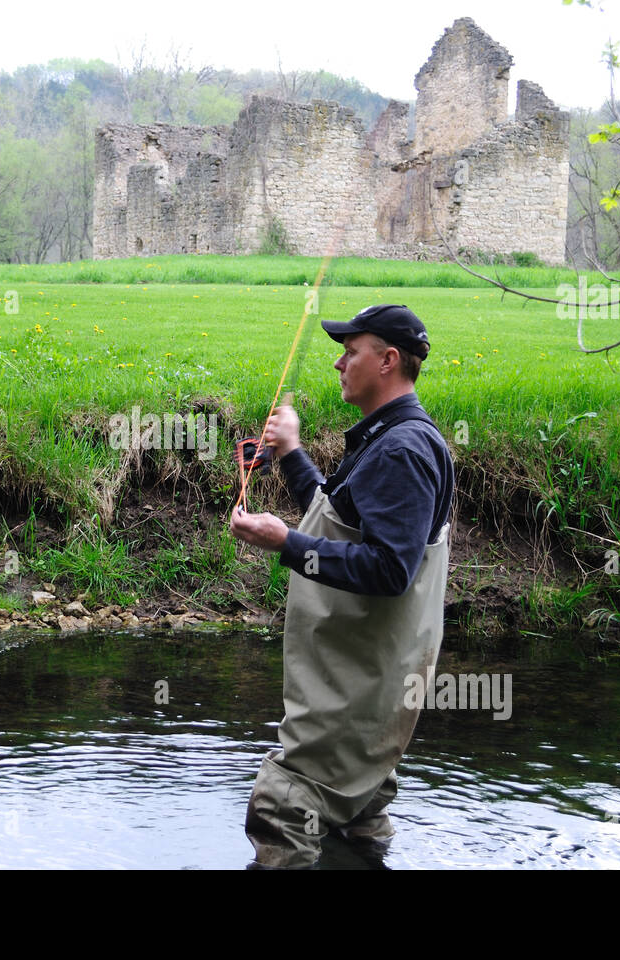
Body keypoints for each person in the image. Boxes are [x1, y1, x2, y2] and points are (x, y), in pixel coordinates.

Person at [228, 303, 455, 869]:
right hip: (370, 681)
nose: (338, 362)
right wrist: (291, 453)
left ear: (388, 360)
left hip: (357, 683)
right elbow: (340, 516)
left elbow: (388, 569)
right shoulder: (395, 437)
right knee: (357, 813)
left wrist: (287, 543)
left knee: (282, 808)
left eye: (351, 351)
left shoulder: (403, 450)